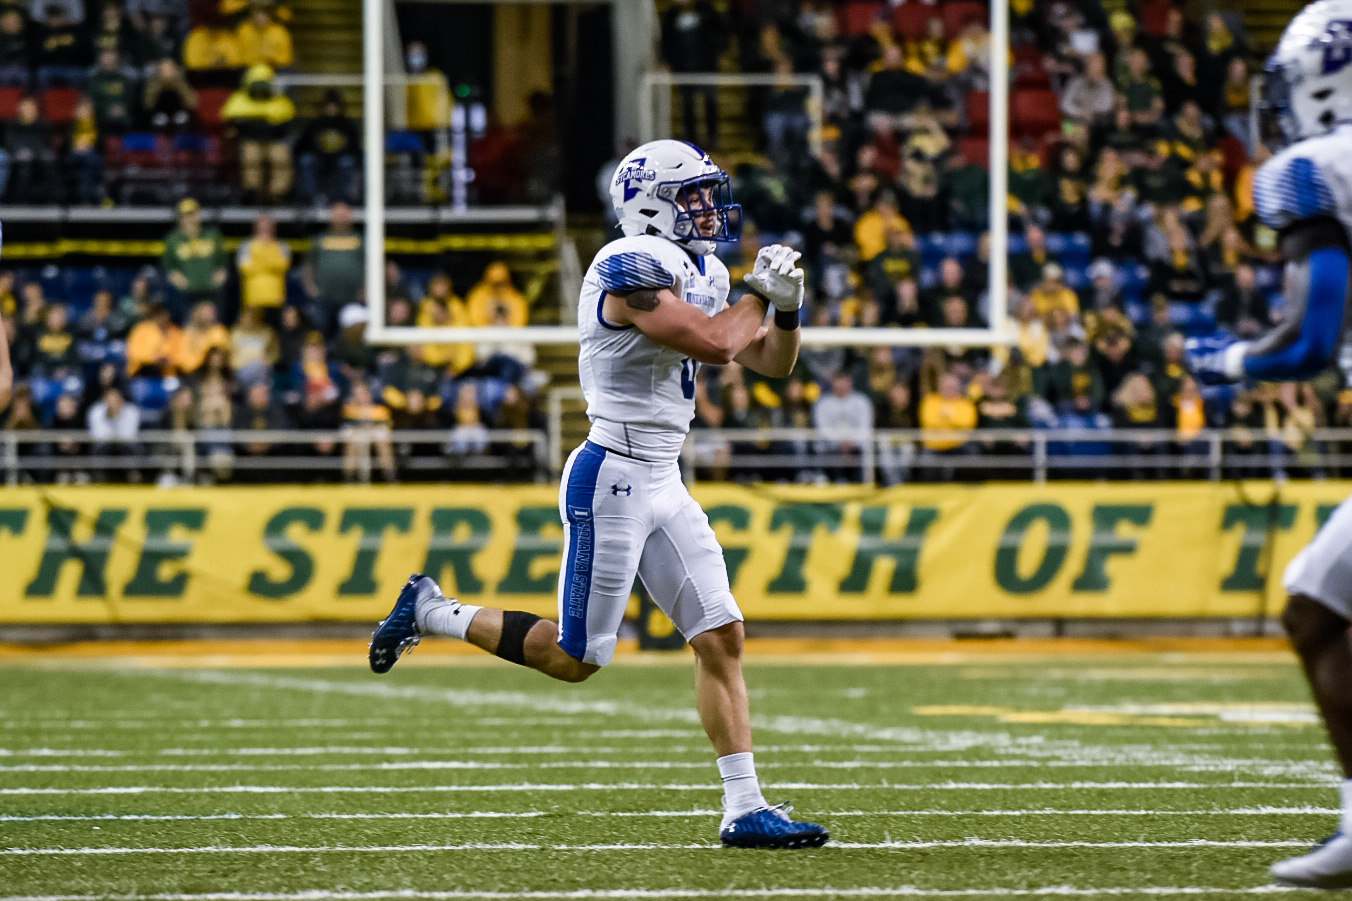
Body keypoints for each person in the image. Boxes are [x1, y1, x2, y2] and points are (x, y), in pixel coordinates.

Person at [368, 139, 827, 849]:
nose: (709, 207)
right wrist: (760, 294)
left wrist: (787, 311)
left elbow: (768, 363)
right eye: (695, 194)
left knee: (721, 634)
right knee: (577, 657)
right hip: (611, 473)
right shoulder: (625, 263)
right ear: (652, 202)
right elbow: (712, 341)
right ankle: (433, 609)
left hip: (664, 474)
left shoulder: (701, 267)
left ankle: (745, 805)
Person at [1184, 3, 1352, 887]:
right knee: (1318, 604)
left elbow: (1312, 340)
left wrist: (1234, 359)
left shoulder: (1320, 167)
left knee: (1317, 608)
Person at [221, 63, 295, 203]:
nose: (260, 90)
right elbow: (230, 118)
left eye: (263, 85)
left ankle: (277, 195)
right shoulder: (239, 99)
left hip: (274, 140)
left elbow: (285, 120)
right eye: (257, 85)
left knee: (280, 155)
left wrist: (254, 120)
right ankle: (252, 193)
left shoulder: (279, 100)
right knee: (251, 156)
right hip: (249, 140)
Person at [162, 198, 227, 309]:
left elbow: (222, 262)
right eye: (185, 215)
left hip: (211, 293)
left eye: (193, 213)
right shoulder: (173, 239)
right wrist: (175, 278)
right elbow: (169, 265)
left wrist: (220, 276)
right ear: (180, 218)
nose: (190, 218)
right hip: (186, 294)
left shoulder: (212, 236)